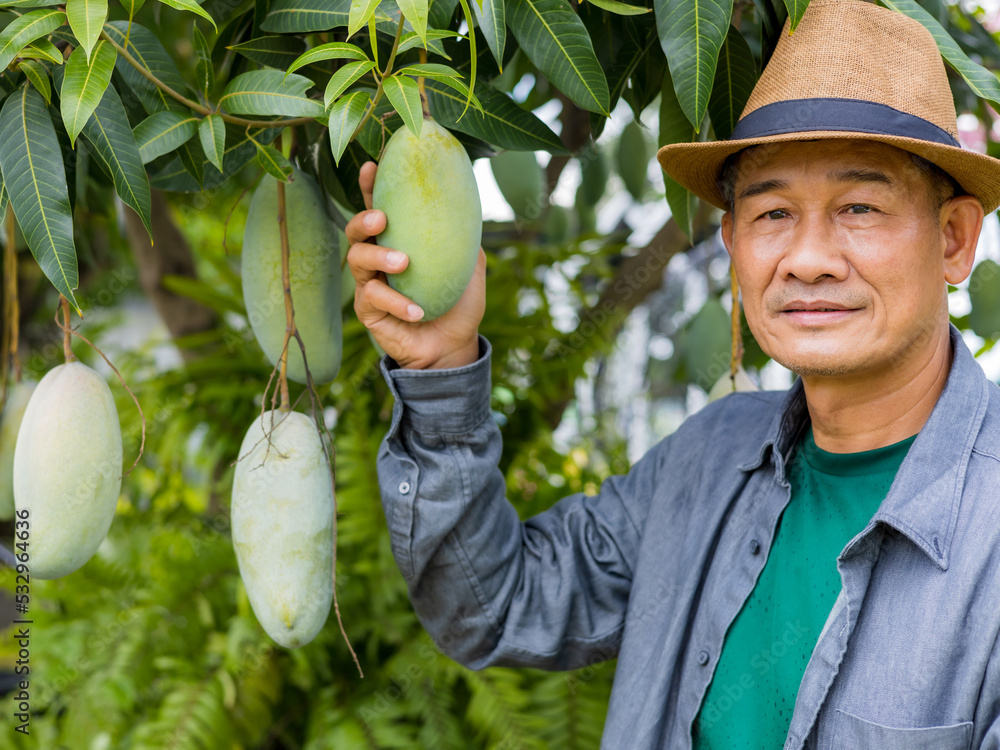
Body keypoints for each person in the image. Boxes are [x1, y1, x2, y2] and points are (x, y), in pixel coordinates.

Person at [345, 0, 1000, 746]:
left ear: (954, 240)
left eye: (859, 207)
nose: (809, 258)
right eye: (773, 214)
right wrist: (442, 365)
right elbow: (495, 606)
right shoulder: (708, 458)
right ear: (731, 242)